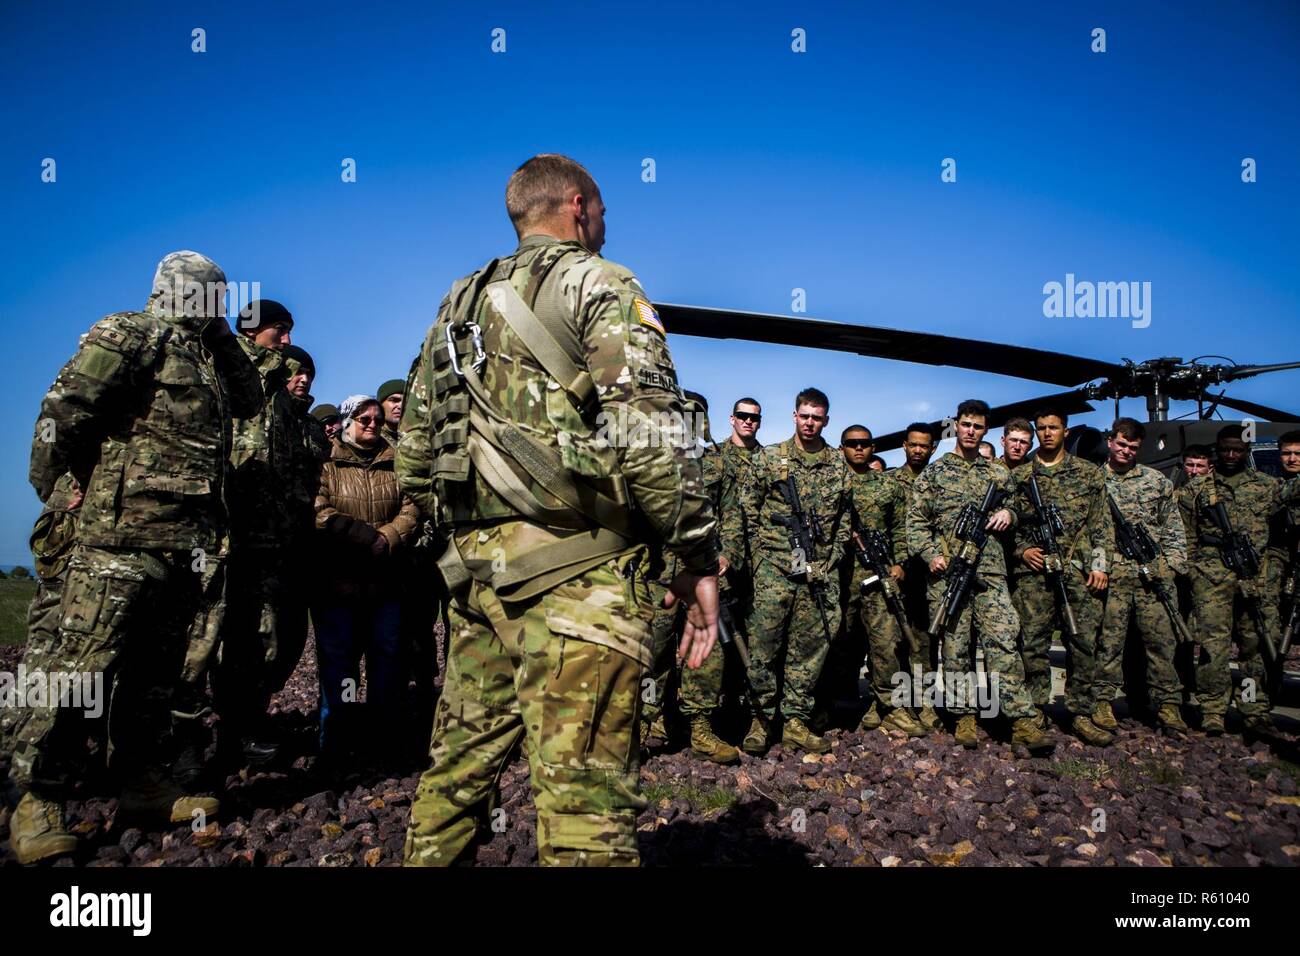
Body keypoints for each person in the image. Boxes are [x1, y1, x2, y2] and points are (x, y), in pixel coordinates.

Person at [399, 154, 718, 867]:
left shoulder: (456, 305)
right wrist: (695, 554)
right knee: (584, 806)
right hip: (581, 583)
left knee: (455, 776)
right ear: (578, 207)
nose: (605, 225)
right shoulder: (602, 283)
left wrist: (480, 530)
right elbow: (652, 442)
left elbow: (414, 458)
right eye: (602, 212)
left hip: (479, 583)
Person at [9, 251, 261, 864]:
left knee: (155, 673)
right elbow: (63, 412)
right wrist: (58, 491)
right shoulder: (128, 333)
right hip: (118, 539)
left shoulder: (206, 357)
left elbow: (251, 400)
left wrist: (223, 334)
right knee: (82, 667)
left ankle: (144, 785)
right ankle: (37, 799)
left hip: (185, 544)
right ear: (179, 291)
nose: (217, 305)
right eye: (211, 295)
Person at [906, 399, 1054, 754]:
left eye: (978, 426)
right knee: (955, 649)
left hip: (990, 572)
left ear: (986, 431)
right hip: (950, 575)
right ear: (956, 425)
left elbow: (1020, 509)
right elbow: (915, 524)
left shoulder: (998, 474)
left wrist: (1008, 513)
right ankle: (964, 715)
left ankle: (1021, 720)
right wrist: (932, 556)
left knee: (1004, 640)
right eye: (966, 424)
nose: (971, 431)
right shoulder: (935, 473)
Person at [205, 299, 303, 773]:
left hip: (267, 537)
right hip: (223, 532)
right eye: (277, 331)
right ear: (250, 332)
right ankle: (180, 748)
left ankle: (238, 733)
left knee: (260, 638)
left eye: (288, 332)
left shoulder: (279, 390)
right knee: (203, 640)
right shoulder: (225, 370)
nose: (285, 340)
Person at [730, 387, 850, 755]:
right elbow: (745, 511)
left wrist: (831, 559)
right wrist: (758, 559)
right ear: (794, 416)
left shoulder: (837, 463)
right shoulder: (770, 459)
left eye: (817, 417)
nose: (810, 423)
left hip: (816, 572)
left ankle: (796, 719)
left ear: (825, 420)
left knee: (810, 649)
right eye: (805, 416)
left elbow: (845, 518)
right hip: (775, 569)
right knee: (764, 647)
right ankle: (760, 720)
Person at [312, 395, 419, 767]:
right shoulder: (326, 462)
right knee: (340, 665)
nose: (372, 423)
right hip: (338, 582)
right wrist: (360, 537)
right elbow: (318, 508)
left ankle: (383, 740)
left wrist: (387, 538)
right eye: (363, 418)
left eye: (375, 418)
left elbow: (411, 506)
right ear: (348, 421)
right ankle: (336, 743)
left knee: (387, 661)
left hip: (385, 582)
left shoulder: (396, 461)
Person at [1009, 408, 1113, 745]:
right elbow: (1010, 525)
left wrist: (1100, 565)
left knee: (1082, 644)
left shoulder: (1088, 474)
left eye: (1053, 427)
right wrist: (1022, 551)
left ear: (1065, 431)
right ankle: (1035, 709)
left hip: (1078, 573)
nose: (1047, 433)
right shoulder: (1020, 475)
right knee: (1032, 644)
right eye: (1041, 428)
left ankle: (1081, 712)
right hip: (1034, 575)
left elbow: (1101, 525)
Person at [1178, 424, 1283, 736]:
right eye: (1225, 449)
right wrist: (1196, 570)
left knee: (1254, 648)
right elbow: (1186, 538)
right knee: (1213, 647)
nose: (1231, 454)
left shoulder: (1267, 487)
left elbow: (1280, 534)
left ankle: (1252, 708)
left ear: (1247, 450)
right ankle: (1212, 709)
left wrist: (1272, 569)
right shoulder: (1197, 491)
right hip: (1212, 577)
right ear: (1216, 451)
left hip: (1255, 577)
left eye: (1237, 449)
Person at [1097, 418, 1190, 734]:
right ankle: (1102, 703)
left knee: (1161, 645)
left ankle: (1167, 707)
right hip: (1111, 577)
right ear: (1111, 441)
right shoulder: (1093, 481)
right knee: (1108, 645)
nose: (1125, 451)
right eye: (1121, 444)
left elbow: (1173, 528)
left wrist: (1172, 566)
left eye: (1132, 447)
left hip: (1152, 577)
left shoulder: (1157, 482)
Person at [837, 425, 930, 736]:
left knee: (885, 643)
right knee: (834, 641)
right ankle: (822, 705)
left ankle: (890, 707)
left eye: (864, 444)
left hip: (877, 576)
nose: (859, 449)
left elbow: (900, 530)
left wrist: (901, 563)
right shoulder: (832, 484)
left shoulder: (887, 485)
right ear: (843, 448)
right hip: (839, 576)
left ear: (872, 446)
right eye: (852, 444)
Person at [377, 379, 405, 447]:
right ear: (380, 405)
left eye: (405, 401)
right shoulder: (371, 437)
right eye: (394, 400)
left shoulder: (417, 437)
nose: (400, 406)